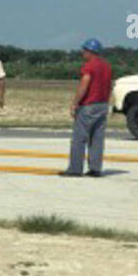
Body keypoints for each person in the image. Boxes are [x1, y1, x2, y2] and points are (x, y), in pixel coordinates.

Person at [60, 38, 112, 177]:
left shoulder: (89, 66)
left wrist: (74, 103)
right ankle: (95, 168)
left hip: (88, 106)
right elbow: (109, 86)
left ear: (90, 51)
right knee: (97, 139)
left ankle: (75, 169)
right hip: (102, 105)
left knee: (79, 138)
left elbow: (84, 84)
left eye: (84, 50)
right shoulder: (107, 66)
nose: (82, 53)